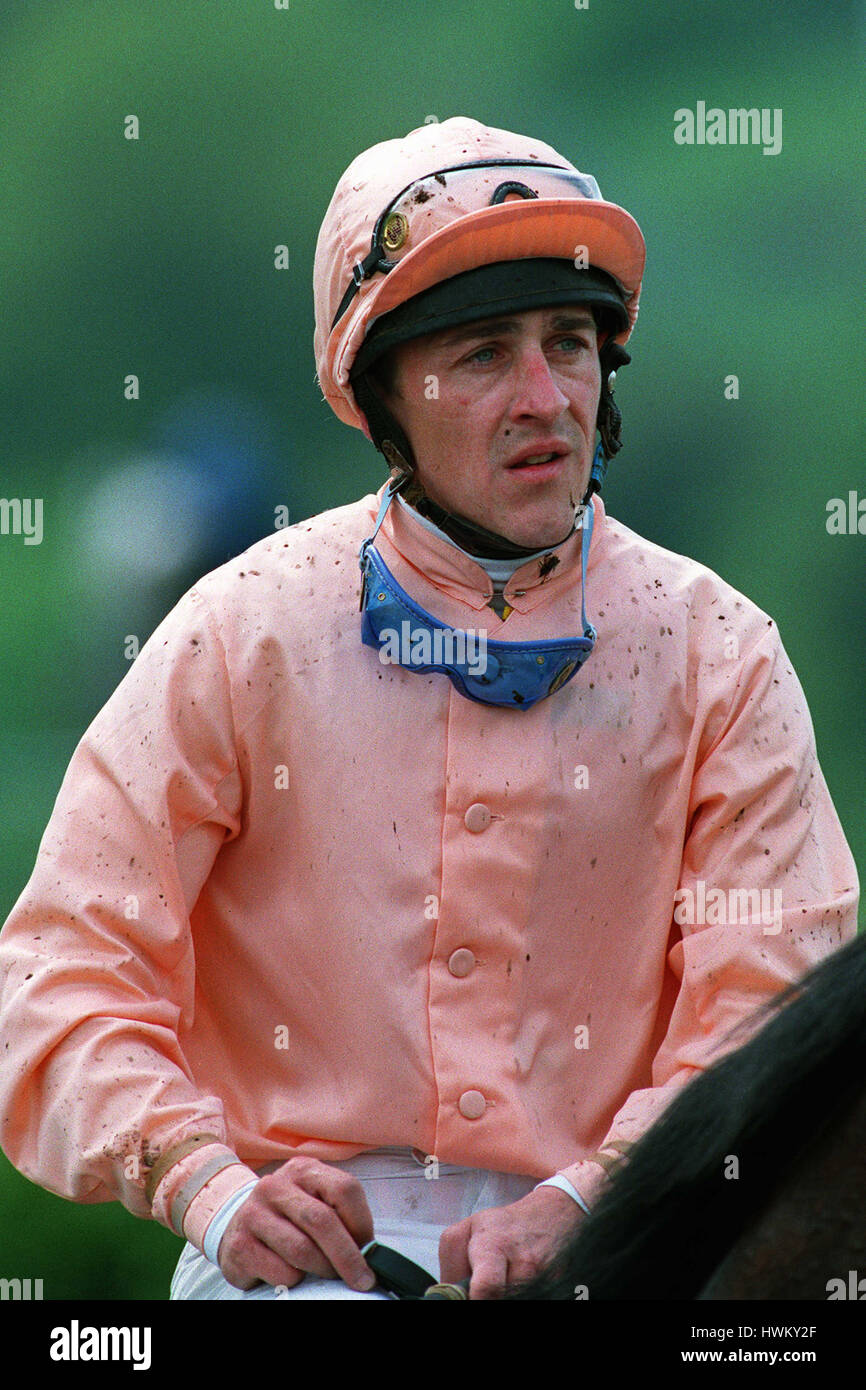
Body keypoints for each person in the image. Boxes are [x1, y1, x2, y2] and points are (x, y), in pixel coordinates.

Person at [0, 116, 858, 1301]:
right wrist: (211, 1184)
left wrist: (591, 1195)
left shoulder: (722, 653)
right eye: (484, 353)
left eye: (568, 342)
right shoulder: (235, 630)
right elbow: (57, 974)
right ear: (383, 396)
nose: (543, 397)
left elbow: (767, 1006)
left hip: (626, 1248)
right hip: (285, 1268)